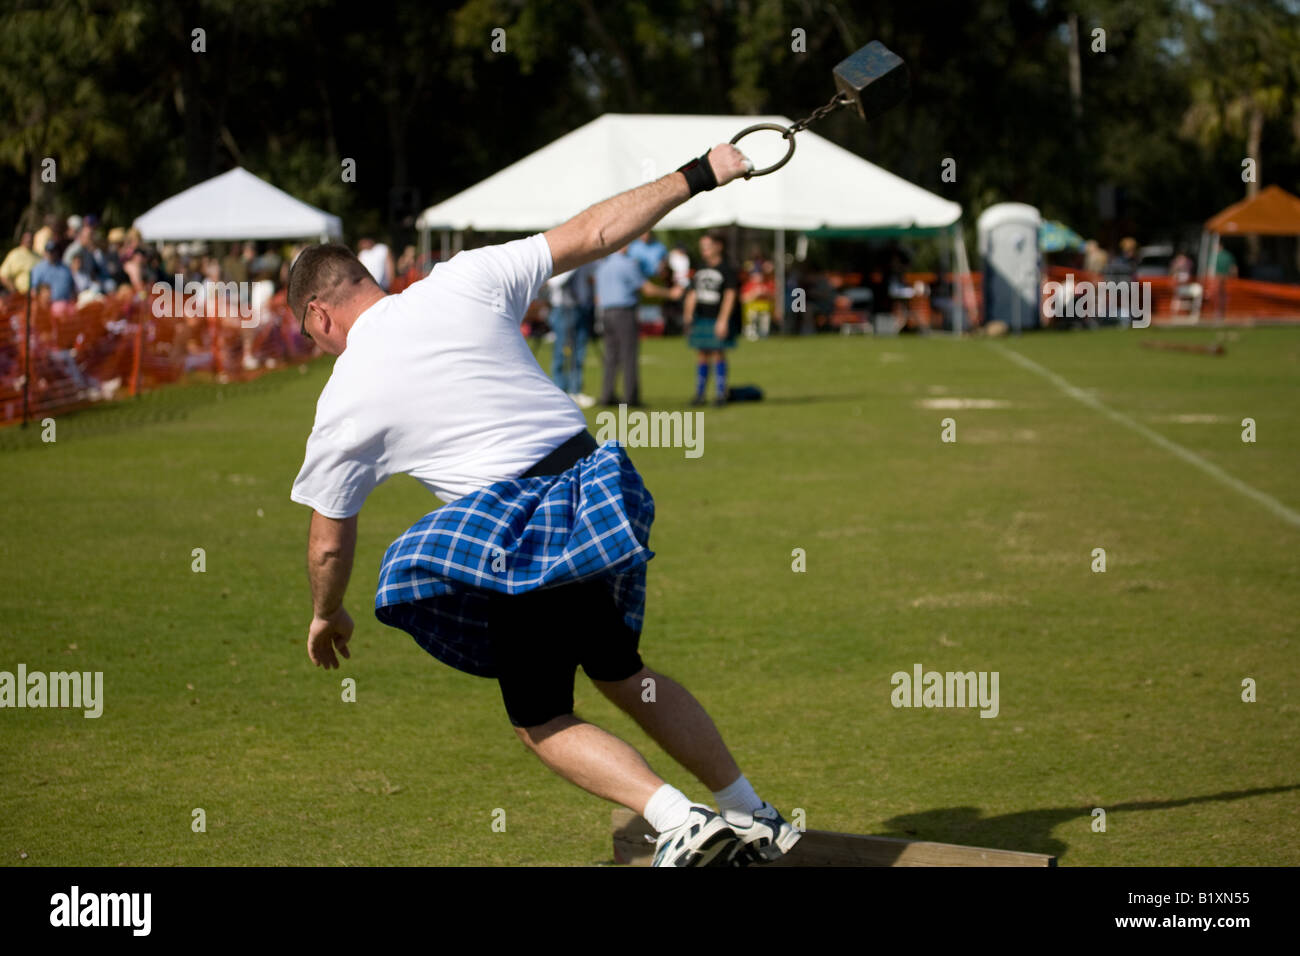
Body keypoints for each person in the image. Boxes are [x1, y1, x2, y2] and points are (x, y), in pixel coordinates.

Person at [287, 140, 801, 867]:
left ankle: (678, 819)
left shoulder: (343, 395)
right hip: (594, 489)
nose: (318, 349)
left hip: (523, 533)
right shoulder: (461, 277)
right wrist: (700, 174)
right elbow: (595, 232)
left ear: (319, 313)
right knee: (623, 673)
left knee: (539, 717)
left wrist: (325, 610)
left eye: (310, 335)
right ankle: (753, 813)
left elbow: (328, 543)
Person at [594, 246, 678, 408]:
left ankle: (607, 395)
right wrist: (670, 294)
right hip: (624, 312)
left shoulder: (603, 265)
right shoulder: (628, 264)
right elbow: (647, 289)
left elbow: (598, 296)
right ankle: (631, 397)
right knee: (628, 355)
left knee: (611, 356)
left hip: (606, 313)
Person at [683, 231, 738, 406]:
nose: (704, 250)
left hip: (717, 318)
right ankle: (699, 395)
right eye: (702, 247)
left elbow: (730, 295)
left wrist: (723, 320)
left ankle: (720, 394)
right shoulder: (700, 268)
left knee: (718, 353)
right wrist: (688, 314)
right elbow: (692, 292)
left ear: (718, 247)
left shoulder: (727, 269)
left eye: (707, 246)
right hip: (701, 318)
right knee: (701, 354)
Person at [545, 259, 597, 407]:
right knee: (562, 352)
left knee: (579, 352)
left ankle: (575, 390)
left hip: (579, 308)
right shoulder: (566, 261)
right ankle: (560, 390)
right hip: (564, 309)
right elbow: (555, 282)